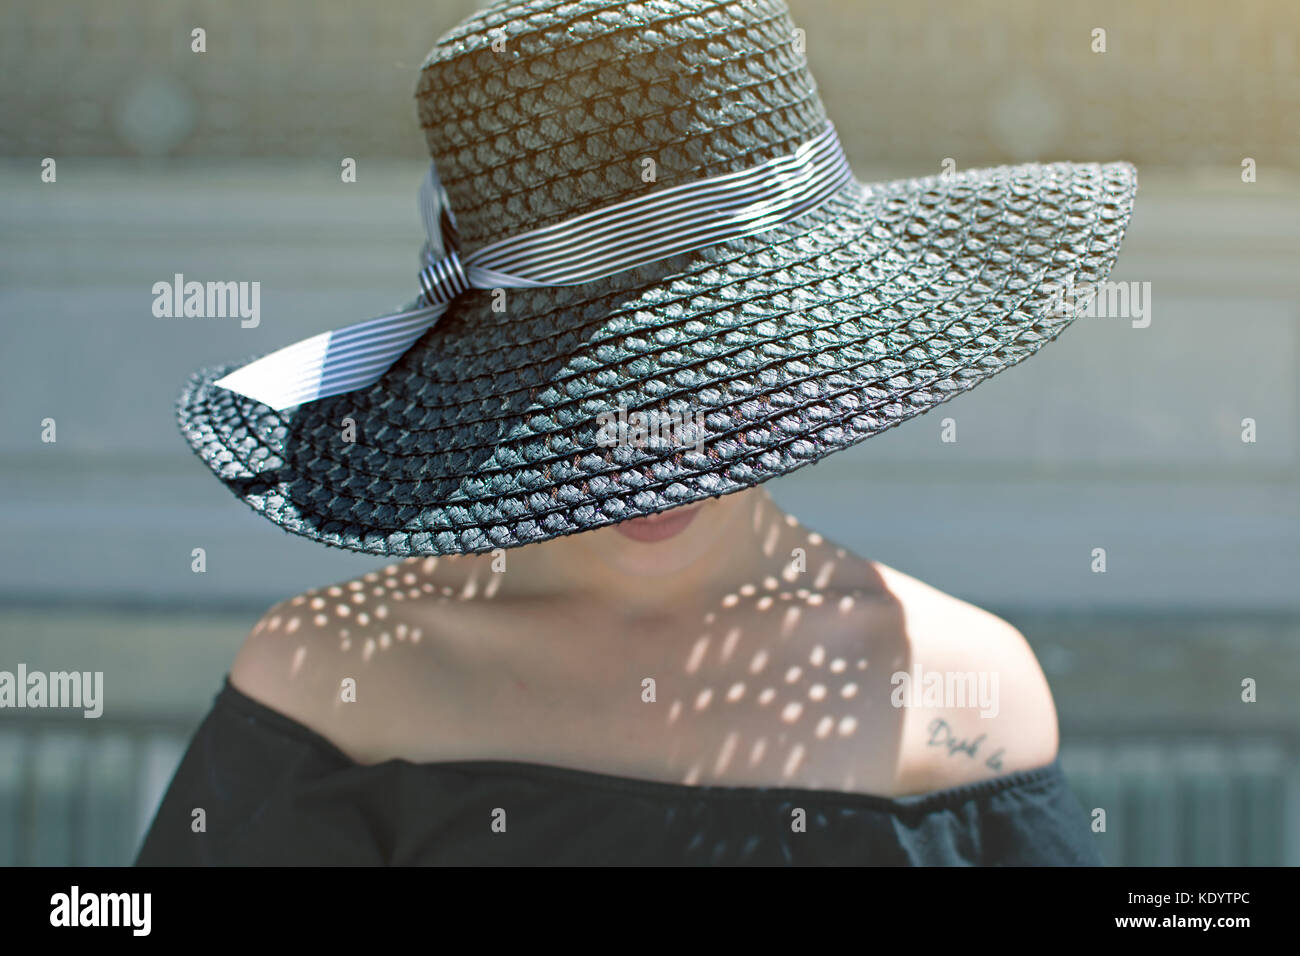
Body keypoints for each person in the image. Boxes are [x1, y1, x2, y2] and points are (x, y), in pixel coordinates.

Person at [138, 0, 1132, 865]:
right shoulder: (331, 676)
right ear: (490, 388)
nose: (652, 442)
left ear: (795, 345)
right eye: (579, 386)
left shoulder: (963, 689)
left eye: (701, 367)